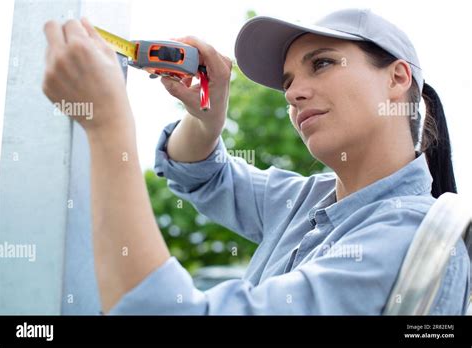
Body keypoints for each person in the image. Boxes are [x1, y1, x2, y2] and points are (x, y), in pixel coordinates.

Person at [42, 8, 470, 315]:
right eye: (288, 82)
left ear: (397, 78)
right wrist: (206, 117)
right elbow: (201, 174)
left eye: (320, 64)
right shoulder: (309, 198)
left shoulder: (409, 237)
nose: (293, 93)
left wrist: (108, 125)